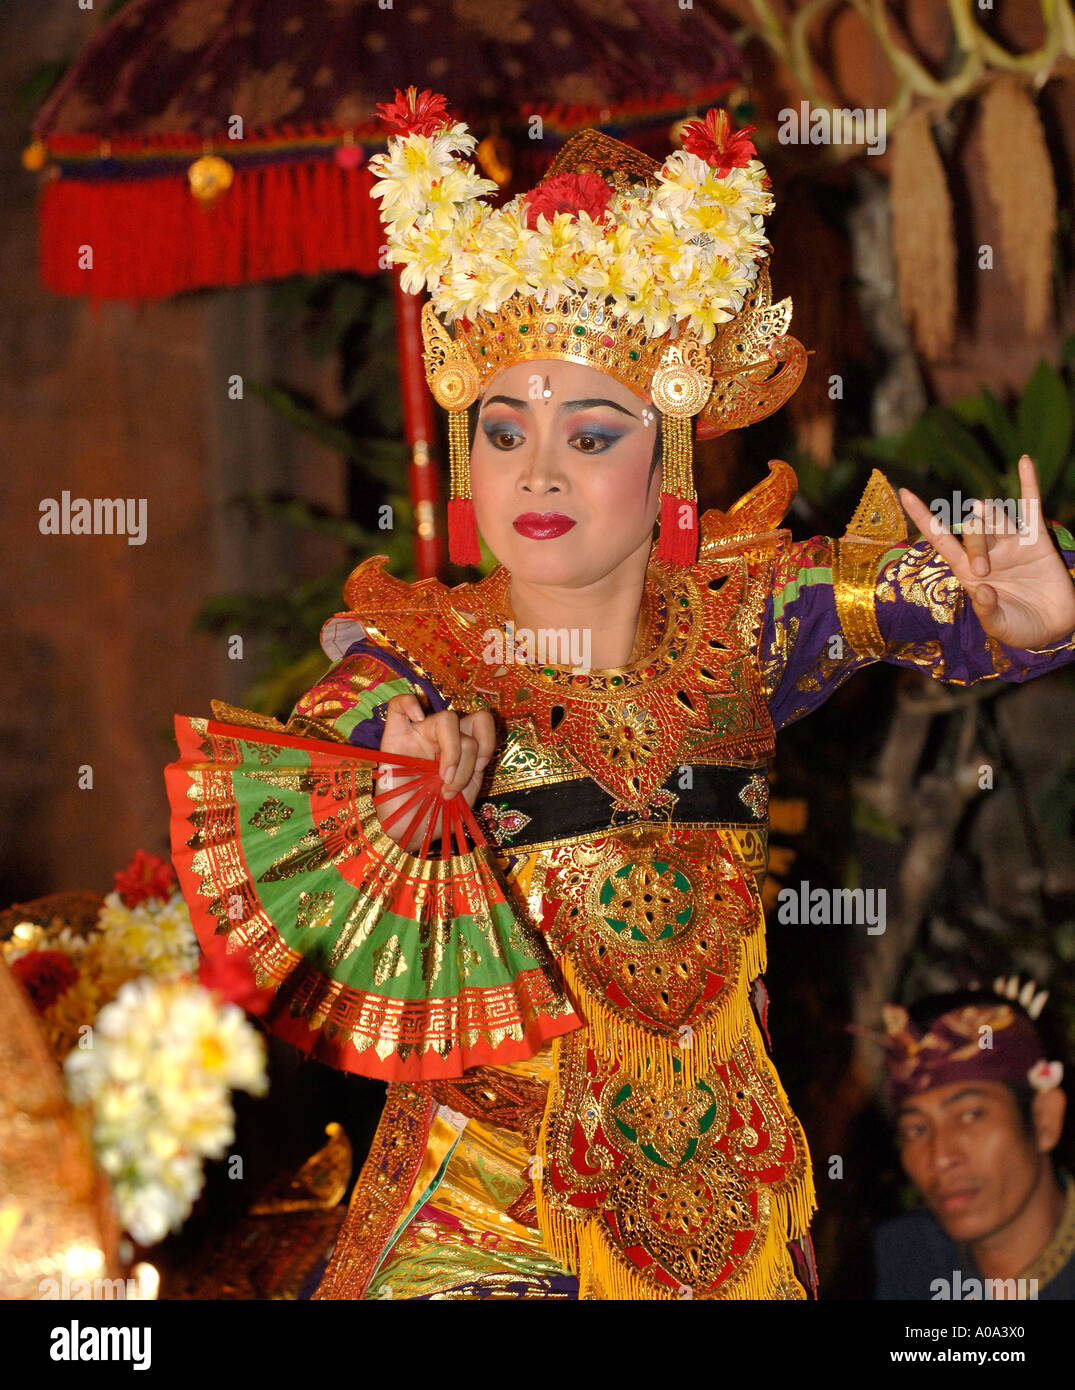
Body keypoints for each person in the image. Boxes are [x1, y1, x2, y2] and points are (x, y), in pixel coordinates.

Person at [165, 88, 1075, 1300]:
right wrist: (398, 786)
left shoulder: (744, 622)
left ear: (668, 451)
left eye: (590, 435)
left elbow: (919, 595)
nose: (536, 468)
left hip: (734, 1222)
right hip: (488, 1228)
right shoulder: (417, 660)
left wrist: (1022, 621)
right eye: (502, 430)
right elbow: (309, 810)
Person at [873, 983, 1075, 1300]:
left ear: (1043, 1120)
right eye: (916, 1128)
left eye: (971, 1115)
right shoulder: (902, 1259)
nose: (940, 1157)